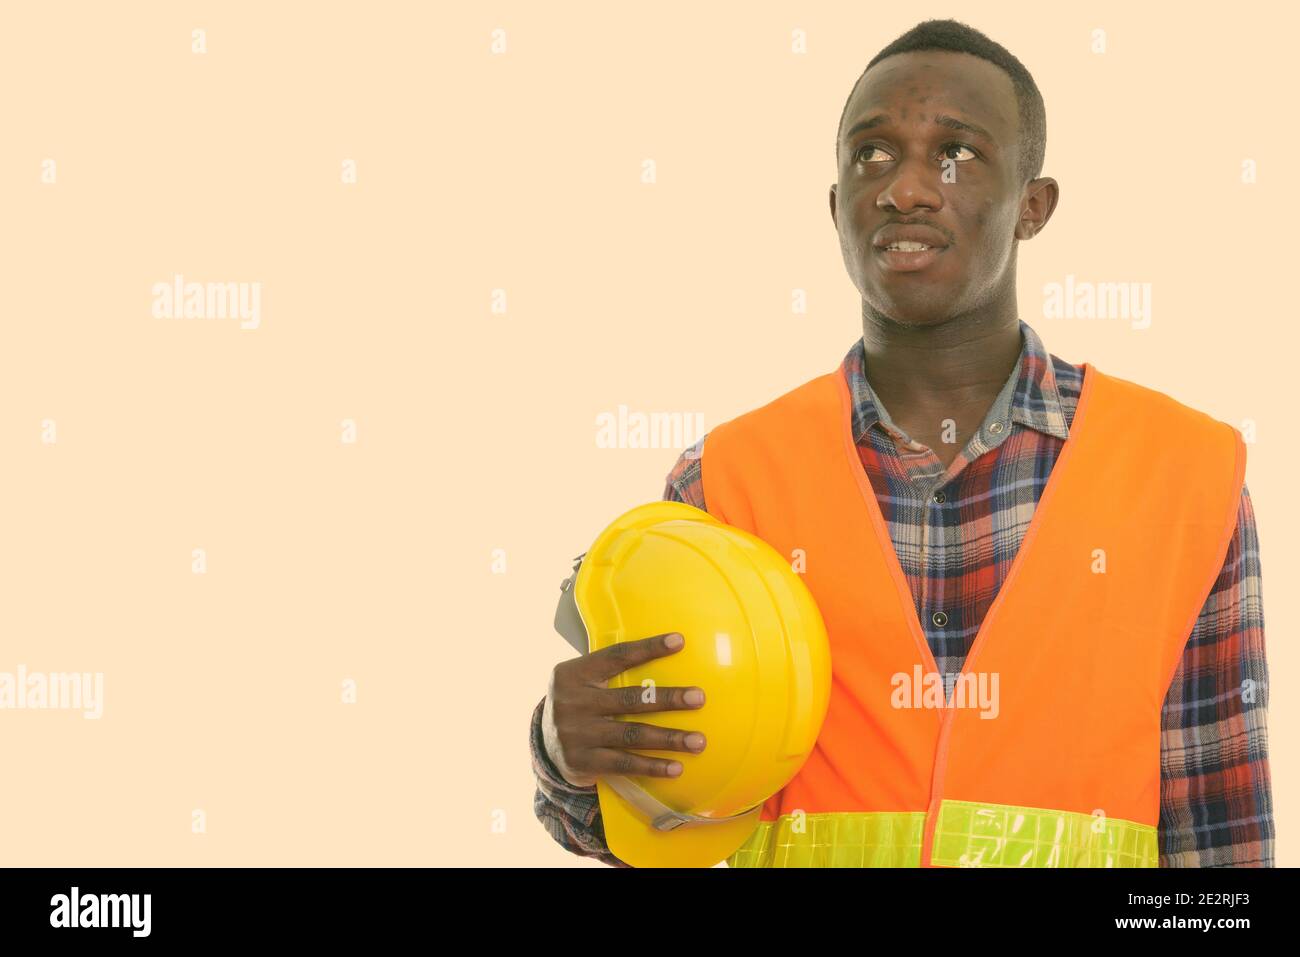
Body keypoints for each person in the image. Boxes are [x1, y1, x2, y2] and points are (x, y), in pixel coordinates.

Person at [530, 18, 1273, 867]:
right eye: (872, 155)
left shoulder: (1183, 475)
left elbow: (1222, 854)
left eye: (956, 153)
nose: (906, 189)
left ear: (1034, 206)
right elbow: (661, 828)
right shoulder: (726, 484)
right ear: (836, 203)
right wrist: (563, 744)